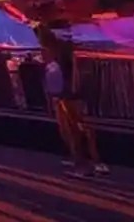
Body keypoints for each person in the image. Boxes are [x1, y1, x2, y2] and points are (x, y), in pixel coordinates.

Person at [37, 24, 108, 178]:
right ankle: (97, 161)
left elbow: (54, 79)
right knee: (85, 127)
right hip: (78, 90)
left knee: (71, 128)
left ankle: (81, 164)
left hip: (66, 93)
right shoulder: (73, 48)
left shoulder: (54, 54)